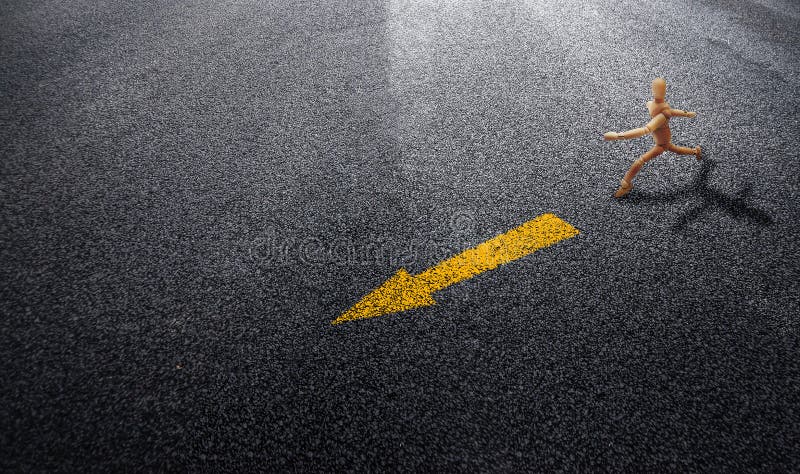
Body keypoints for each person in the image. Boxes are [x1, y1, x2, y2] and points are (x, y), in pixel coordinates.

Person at [604, 78, 701, 198]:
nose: (657, 91)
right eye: (655, 88)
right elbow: (672, 111)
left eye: (660, 89)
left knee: (641, 160)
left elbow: (646, 130)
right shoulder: (656, 105)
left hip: (662, 143)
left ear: (664, 91)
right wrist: (686, 114)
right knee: (676, 150)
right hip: (661, 140)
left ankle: (625, 184)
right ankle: (695, 151)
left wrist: (619, 136)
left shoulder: (663, 114)